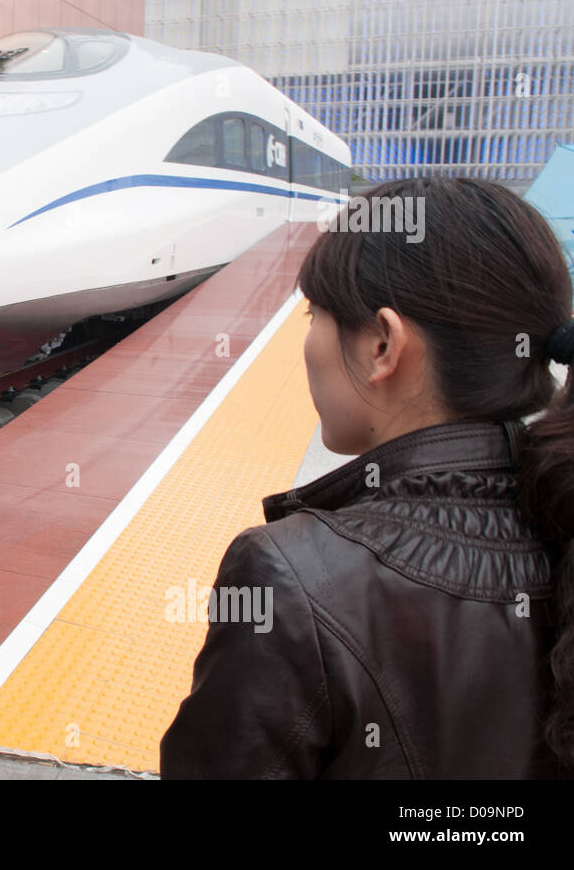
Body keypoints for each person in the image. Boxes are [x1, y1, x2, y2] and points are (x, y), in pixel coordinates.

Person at [160, 177, 574, 779]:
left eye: (314, 314)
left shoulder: (292, 577)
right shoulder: (561, 518)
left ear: (383, 343)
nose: (307, 340)